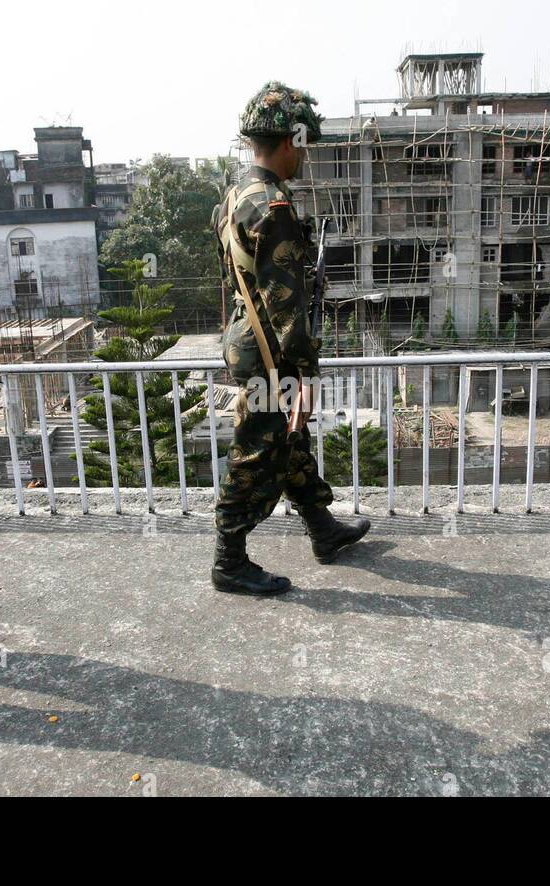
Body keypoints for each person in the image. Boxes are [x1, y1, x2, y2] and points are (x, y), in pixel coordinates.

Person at [210, 82, 370, 596]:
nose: (305, 155)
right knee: (258, 449)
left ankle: (323, 529)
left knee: (290, 438)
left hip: (246, 337)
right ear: (287, 142)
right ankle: (228, 561)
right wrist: (303, 373)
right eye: (303, 144)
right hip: (271, 352)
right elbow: (286, 302)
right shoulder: (274, 206)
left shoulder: (235, 195)